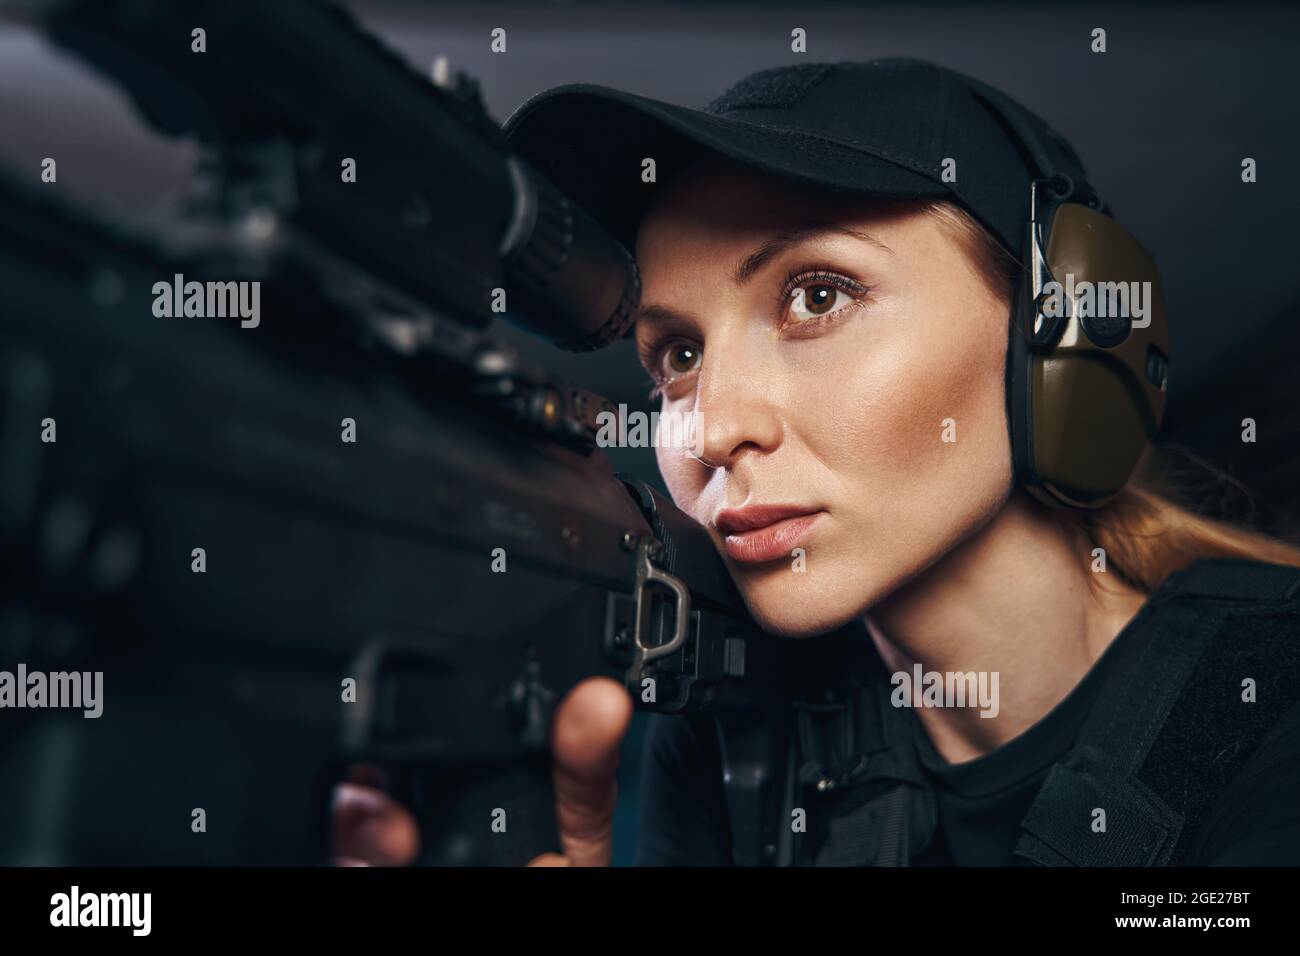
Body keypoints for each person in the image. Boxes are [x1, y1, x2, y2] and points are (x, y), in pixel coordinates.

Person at [334, 59, 1300, 867]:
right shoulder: (727, 733)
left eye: (819, 296)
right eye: (678, 355)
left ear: (1061, 336)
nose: (711, 431)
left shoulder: (1271, 710)